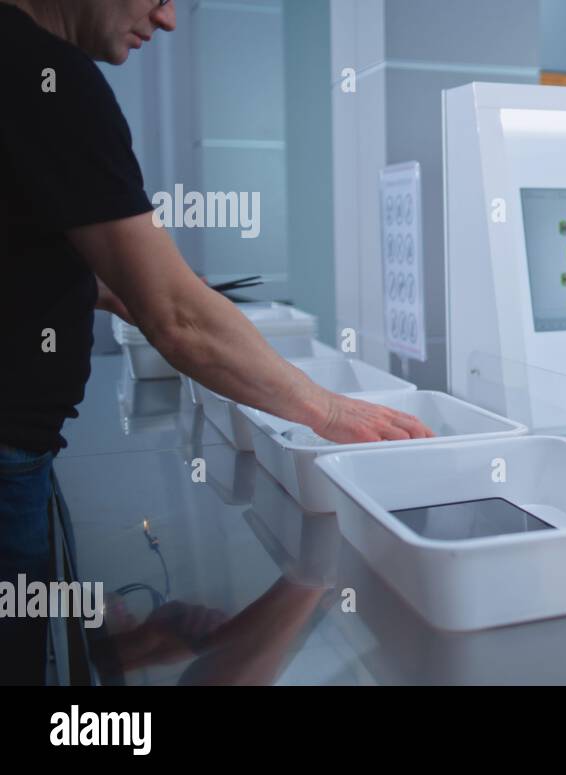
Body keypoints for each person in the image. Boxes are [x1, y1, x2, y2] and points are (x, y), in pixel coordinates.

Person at [0, 0, 431, 684]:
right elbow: (178, 318)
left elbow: (46, 254)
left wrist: (124, 648)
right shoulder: (50, 76)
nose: (168, 20)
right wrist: (327, 410)